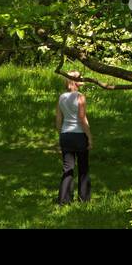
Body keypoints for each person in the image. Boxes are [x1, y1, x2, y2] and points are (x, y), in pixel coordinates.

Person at [55, 71, 93, 204]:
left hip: (66, 135)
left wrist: (61, 135)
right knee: (83, 167)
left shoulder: (61, 97)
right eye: (79, 78)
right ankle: (84, 199)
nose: (82, 79)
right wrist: (89, 137)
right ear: (74, 81)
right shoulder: (80, 97)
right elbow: (82, 119)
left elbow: (59, 120)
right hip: (79, 135)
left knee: (67, 168)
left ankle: (64, 200)